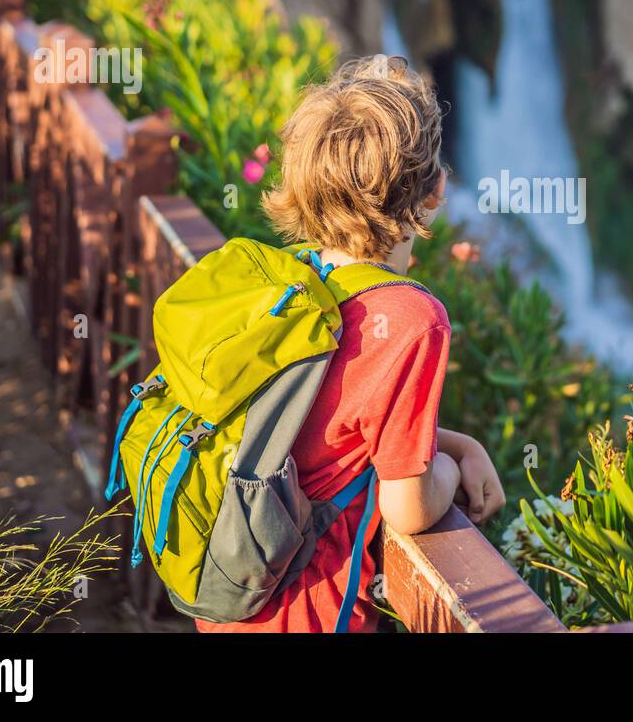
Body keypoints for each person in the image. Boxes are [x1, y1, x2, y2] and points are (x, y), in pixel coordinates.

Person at [196, 55, 505, 633]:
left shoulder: (289, 286)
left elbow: (330, 433)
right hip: (310, 605)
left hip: (234, 589)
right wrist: (443, 468)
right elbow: (406, 508)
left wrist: (462, 445)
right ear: (435, 190)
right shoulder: (415, 320)